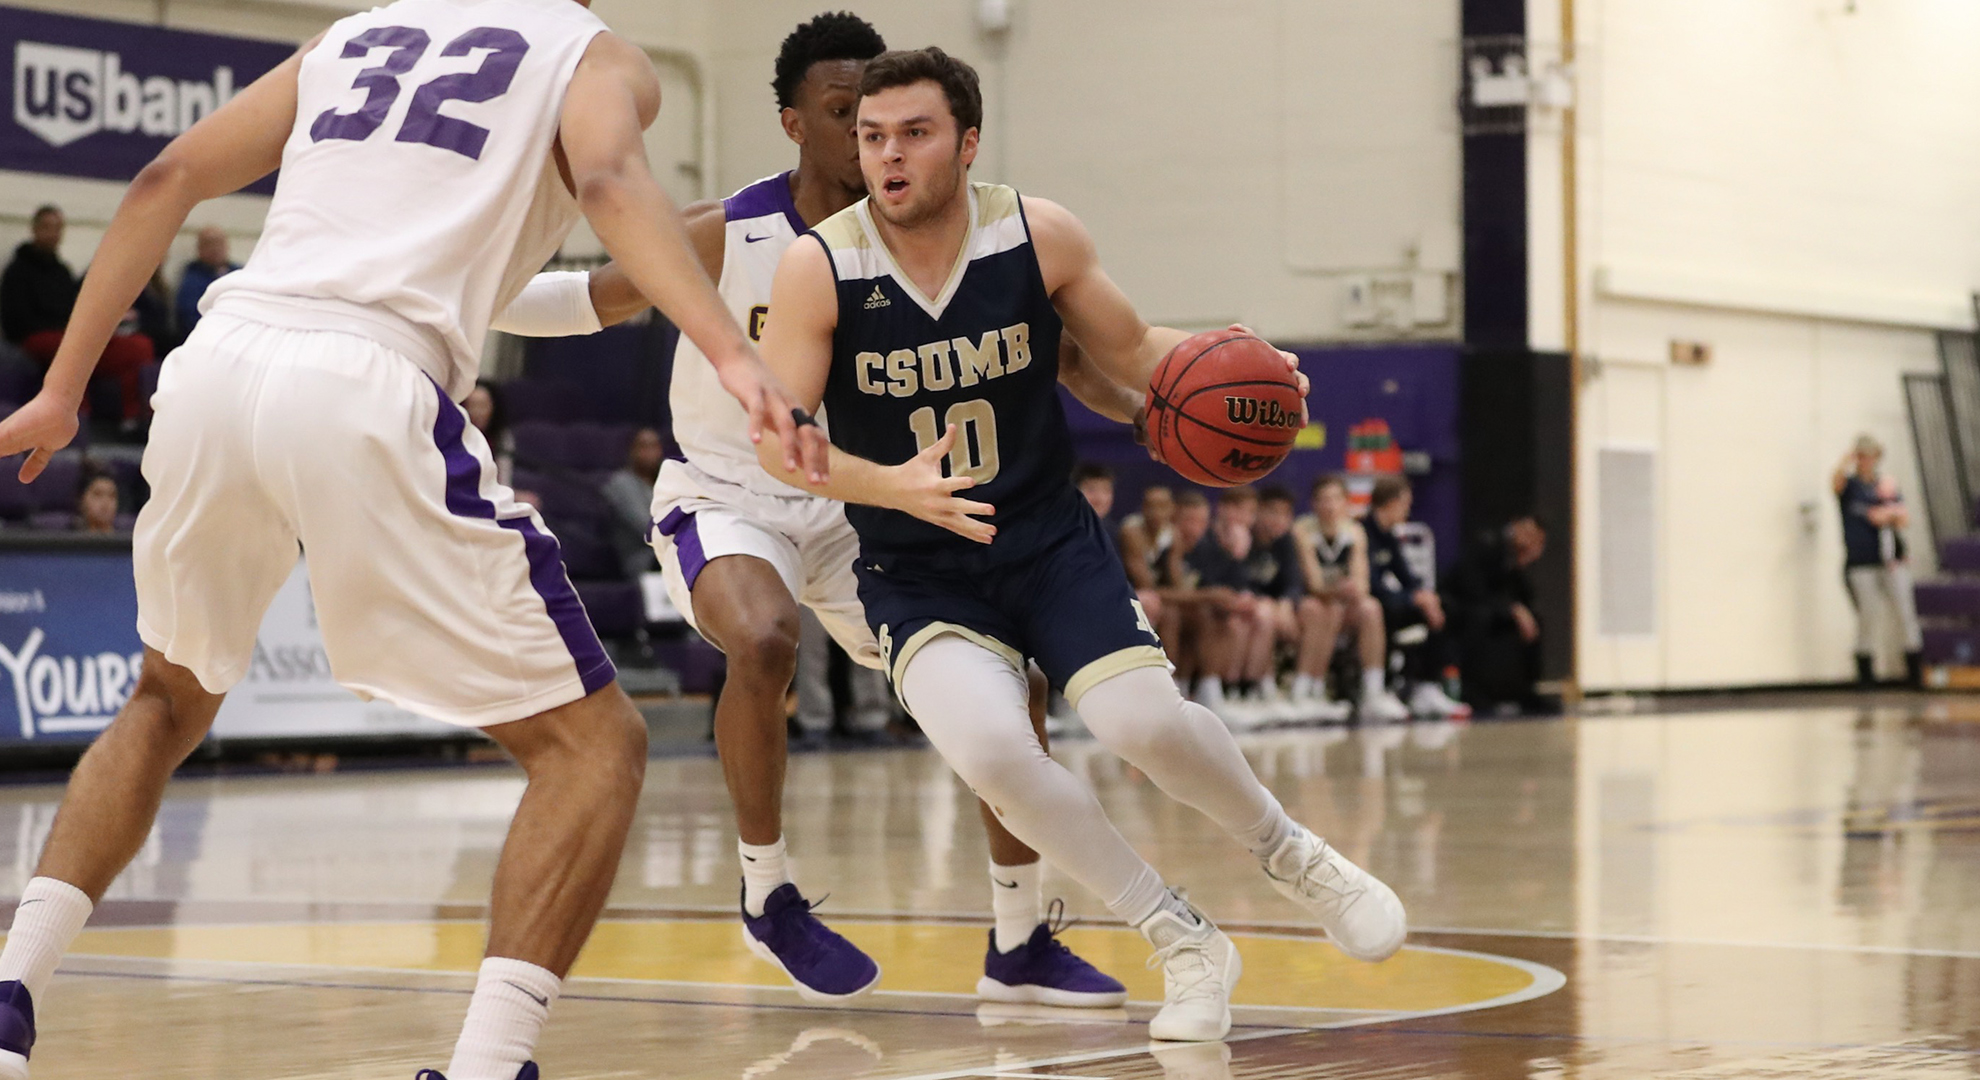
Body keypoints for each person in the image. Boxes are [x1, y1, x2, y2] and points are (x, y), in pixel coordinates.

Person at [0, 2, 825, 1078]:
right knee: (596, 748)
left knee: (164, 698)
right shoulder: (597, 54)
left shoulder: (354, 33)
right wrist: (730, 353)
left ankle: (13, 996)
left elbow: (165, 180)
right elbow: (617, 191)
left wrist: (65, 390)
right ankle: (490, 1066)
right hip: (367, 372)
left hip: (220, 361)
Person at [753, 46, 1406, 1041]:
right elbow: (777, 442)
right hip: (918, 568)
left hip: (1047, 539)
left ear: (967, 142)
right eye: (872, 136)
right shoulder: (820, 265)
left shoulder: (1035, 233)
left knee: (1141, 721)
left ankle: (1294, 855)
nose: (887, 156)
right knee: (991, 753)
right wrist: (890, 486)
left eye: (914, 134)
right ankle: (1180, 937)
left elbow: (1138, 350)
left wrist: (1251, 373)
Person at [491, 14, 1124, 1008]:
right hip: (726, 493)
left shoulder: (925, 244)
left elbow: (1068, 358)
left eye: (886, 117)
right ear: (796, 125)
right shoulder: (726, 229)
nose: (871, 136)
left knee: (1013, 682)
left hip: (858, 508)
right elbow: (586, 301)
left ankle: (1018, 939)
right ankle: (767, 892)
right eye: (844, 116)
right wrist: (441, 292)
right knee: (763, 637)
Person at [1, 206, 154, 430]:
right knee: (73, 351)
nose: (52, 233)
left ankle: (131, 421)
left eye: (57, 228)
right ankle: (77, 423)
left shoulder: (62, 271)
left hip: (74, 338)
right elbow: (17, 323)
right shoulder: (17, 271)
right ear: (34, 229)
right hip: (39, 338)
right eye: (46, 227)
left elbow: (78, 310)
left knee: (140, 346)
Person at [1299, 474, 1409, 721]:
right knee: (1322, 608)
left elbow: (1361, 583)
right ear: (1313, 504)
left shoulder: (1355, 532)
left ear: (1346, 503)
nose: (1330, 506)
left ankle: (1373, 691)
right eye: (1323, 500)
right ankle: (1307, 691)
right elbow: (1314, 584)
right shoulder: (1303, 530)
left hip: (1339, 605)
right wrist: (1337, 590)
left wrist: (1351, 590)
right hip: (1309, 607)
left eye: (1335, 499)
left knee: (1370, 607)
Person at [1365, 477, 1469, 719]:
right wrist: (1413, 599)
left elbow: (1407, 577)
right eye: (1405, 504)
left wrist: (1425, 597)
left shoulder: (1389, 536)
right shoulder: (1364, 532)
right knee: (1389, 609)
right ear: (1391, 503)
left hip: (1390, 600)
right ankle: (1382, 687)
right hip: (1372, 603)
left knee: (1444, 607)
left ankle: (1428, 685)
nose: (1407, 511)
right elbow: (1373, 586)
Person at [1253, 486, 1348, 722]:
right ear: (1258, 512)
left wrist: (1285, 604)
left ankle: (1307, 690)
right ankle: (1265, 693)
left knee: (1318, 609)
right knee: (1264, 613)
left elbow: (1294, 582)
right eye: (1273, 512)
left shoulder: (1286, 541)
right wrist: (1274, 606)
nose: (1280, 520)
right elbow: (1238, 583)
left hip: (1276, 608)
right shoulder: (1245, 539)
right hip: (1252, 608)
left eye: (1286, 514)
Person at [1833, 435, 1922, 687]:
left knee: (1905, 611)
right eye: (1861, 456)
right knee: (1868, 616)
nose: (1866, 461)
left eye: (1870, 455)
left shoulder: (1885, 485)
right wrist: (1845, 460)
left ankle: (1914, 671)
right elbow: (1835, 482)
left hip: (1891, 559)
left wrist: (1889, 514)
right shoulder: (1850, 487)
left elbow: (1903, 518)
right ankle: (1865, 672)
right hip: (1861, 562)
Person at [1445, 514, 1548, 713]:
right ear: (1517, 527)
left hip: (1492, 605)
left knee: (1534, 620)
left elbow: (1521, 592)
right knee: (1481, 619)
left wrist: (1521, 564)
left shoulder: (1513, 555)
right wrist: (1511, 609)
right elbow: (1471, 587)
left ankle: (1523, 689)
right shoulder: (1488, 543)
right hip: (1463, 605)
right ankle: (1475, 692)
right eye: (1531, 535)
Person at [601, 426, 665, 576]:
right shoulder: (621, 483)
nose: (650, 452)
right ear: (632, 451)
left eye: (654, 446)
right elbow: (646, 527)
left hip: (669, 554)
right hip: (641, 559)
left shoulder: (665, 483)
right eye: (643, 446)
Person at [174, 225, 239, 337]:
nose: (215, 248)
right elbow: (190, 315)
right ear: (199, 249)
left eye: (219, 243)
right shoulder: (191, 278)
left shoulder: (239, 273)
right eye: (209, 244)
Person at [73, 470, 121, 535]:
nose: (105, 503)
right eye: (98, 494)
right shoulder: (67, 539)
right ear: (82, 500)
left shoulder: (132, 539)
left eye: (112, 496)